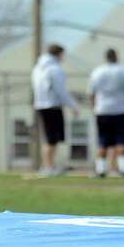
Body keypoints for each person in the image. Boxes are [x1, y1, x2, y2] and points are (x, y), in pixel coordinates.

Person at [88, 48, 124, 178]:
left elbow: (91, 93)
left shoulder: (97, 72)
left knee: (103, 142)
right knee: (122, 141)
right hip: (122, 110)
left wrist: (94, 107)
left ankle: (101, 171)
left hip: (102, 110)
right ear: (116, 56)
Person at [31, 44, 79, 177]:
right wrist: (73, 106)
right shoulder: (55, 69)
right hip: (52, 105)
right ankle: (48, 167)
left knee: (49, 138)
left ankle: (49, 166)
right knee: (52, 139)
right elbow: (61, 91)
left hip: (40, 105)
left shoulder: (37, 68)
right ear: (58, 54)